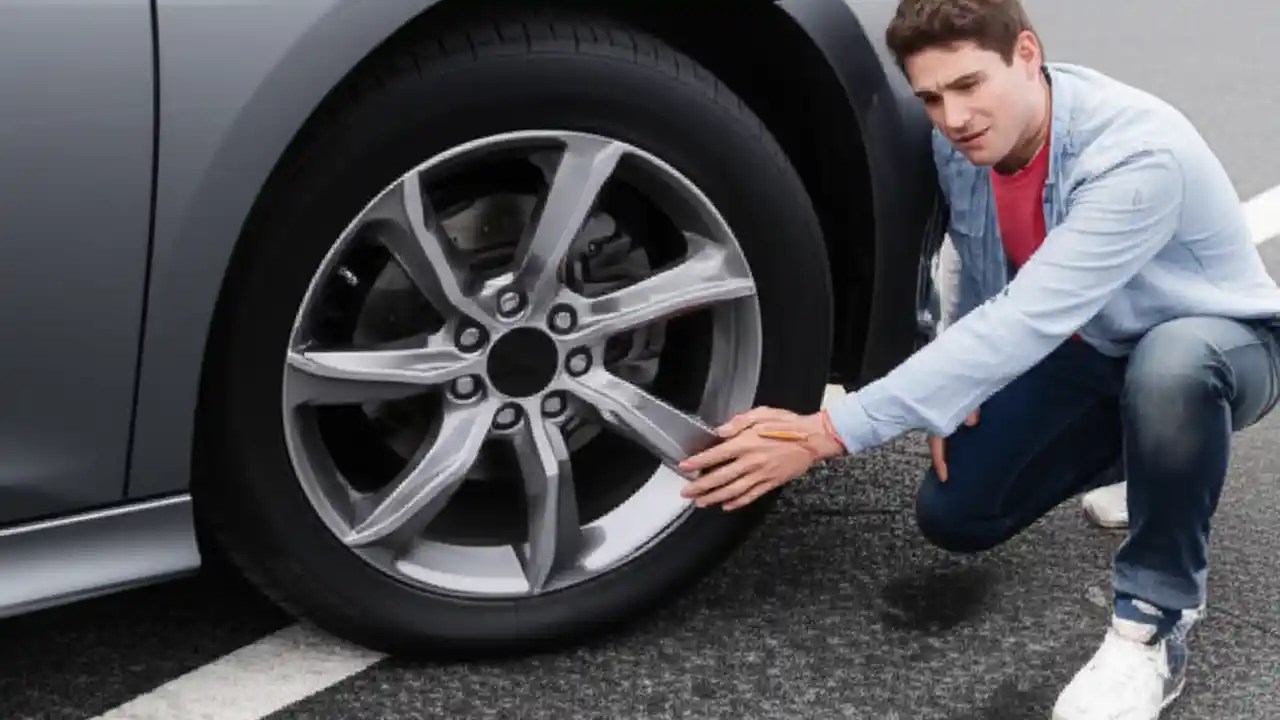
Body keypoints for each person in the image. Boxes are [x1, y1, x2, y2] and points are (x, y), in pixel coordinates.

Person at [677, 1, 1280, 717]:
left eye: (969, 85)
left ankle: (1155, 621)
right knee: (958, 511)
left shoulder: (1136, 156)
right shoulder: (966, 147)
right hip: (1093, 348)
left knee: (1171, 368)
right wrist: (955, 389)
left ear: (1027, 53)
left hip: (1221, 345)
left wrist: (821, 435)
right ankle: (1147, 456)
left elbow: (1024, 320)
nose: (954, 116)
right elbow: (980, 271)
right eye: (931, 97)